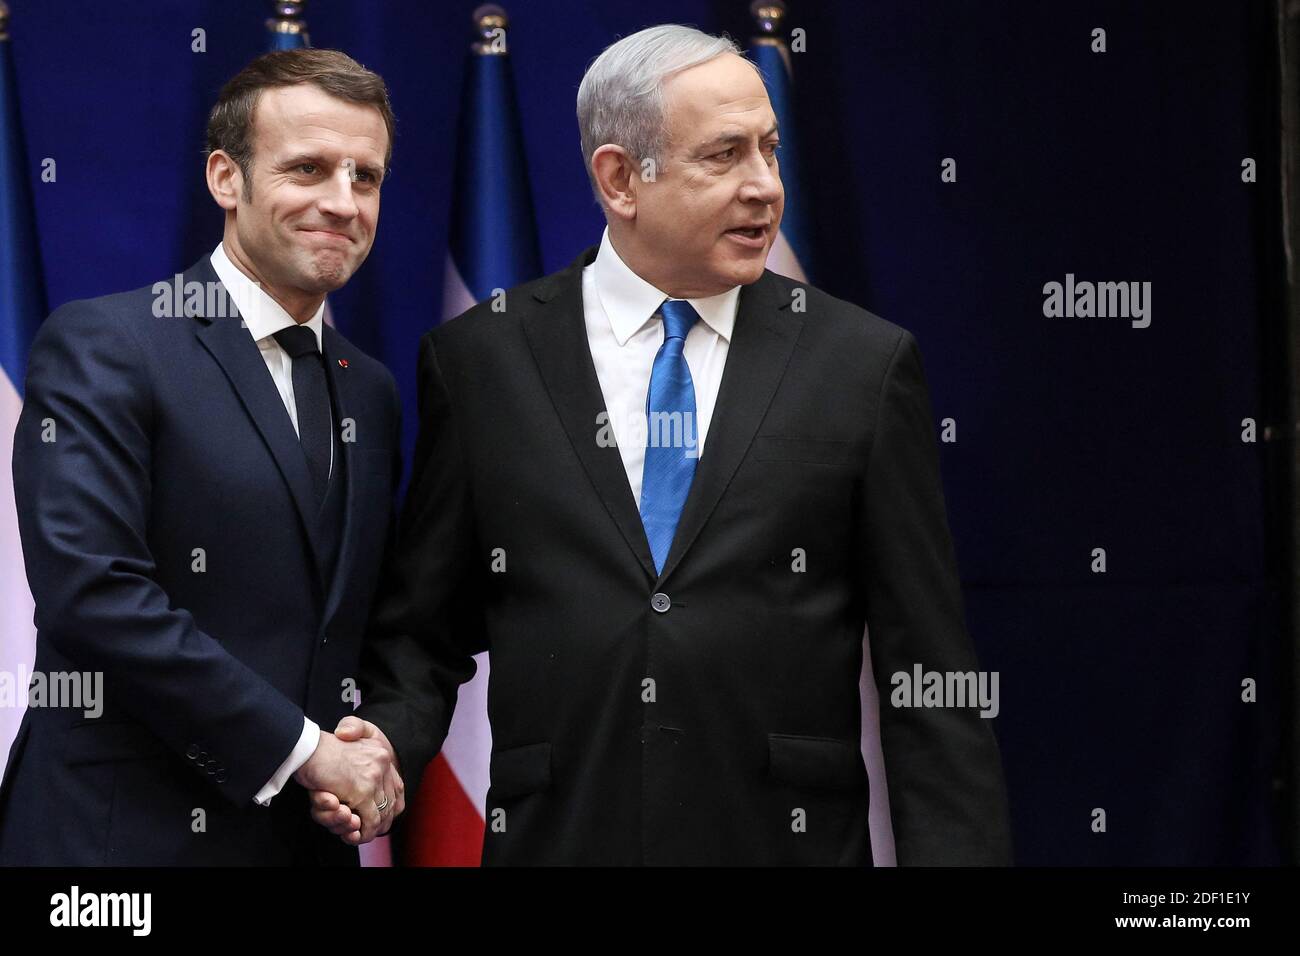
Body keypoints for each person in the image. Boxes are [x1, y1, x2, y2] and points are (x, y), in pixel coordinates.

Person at [318, 25, 1013, 865]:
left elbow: (928, 674)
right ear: (620, 178)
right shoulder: (482, 361)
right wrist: (383, 744)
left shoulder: (862, 365)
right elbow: (424, 629)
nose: (765, 186)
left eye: (770, 150)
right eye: (725, 156)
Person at [0, 48, 404, 865]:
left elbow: (360, 621)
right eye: (308, 169)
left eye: (366, 177)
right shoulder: (108, 343)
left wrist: (376, 747)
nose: (342, 201)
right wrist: (307, 752)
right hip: (116, 848)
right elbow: (95, 596)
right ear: (226, 178)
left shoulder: (373, 391)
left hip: (302, 845)